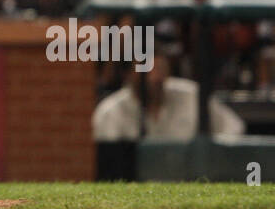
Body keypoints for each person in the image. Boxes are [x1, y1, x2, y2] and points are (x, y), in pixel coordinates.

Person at [93, 48, 245, 140]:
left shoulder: (191, 95)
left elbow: (233, 127)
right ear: (128, 74)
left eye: (160, 69)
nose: (156, 77)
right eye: (147, 70)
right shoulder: (110, 112)